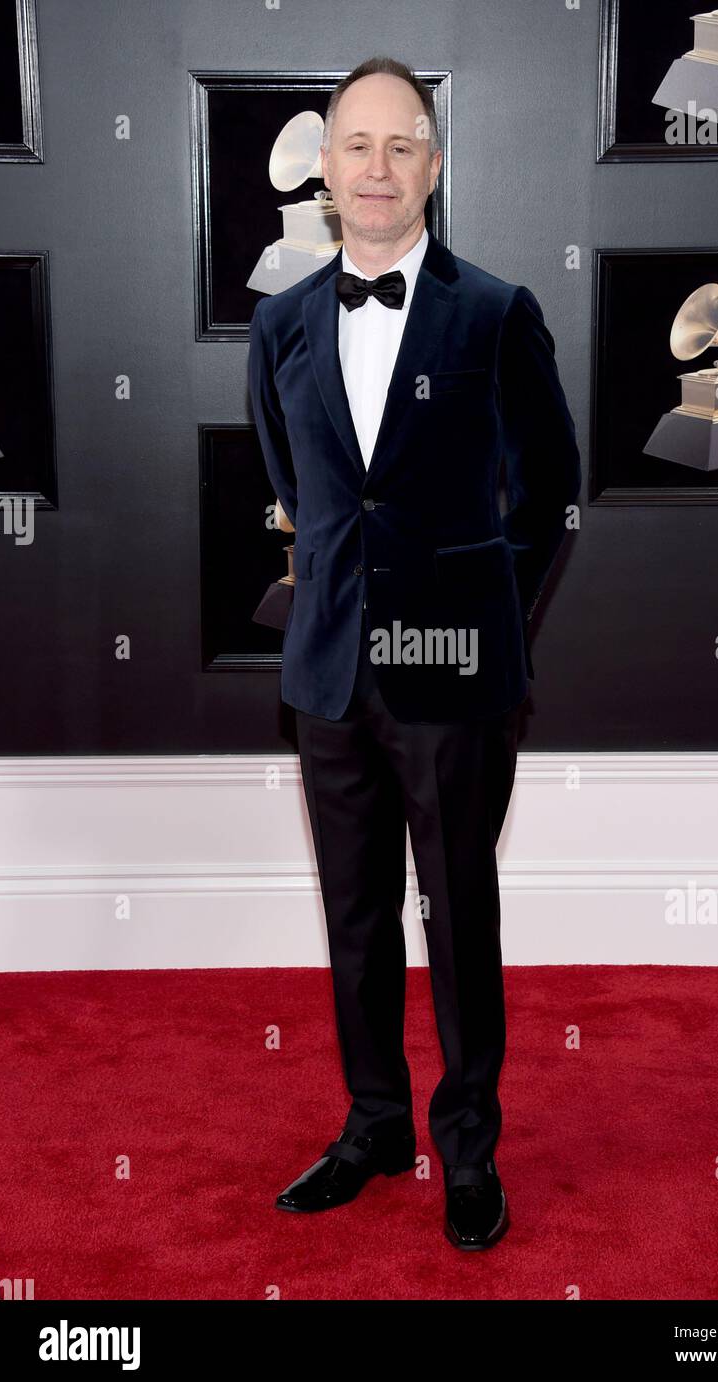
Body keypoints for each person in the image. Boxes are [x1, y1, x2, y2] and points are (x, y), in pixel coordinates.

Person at [248, 55, 580, 1250]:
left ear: (433, 167)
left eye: (402, 145)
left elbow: (551, 492)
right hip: (327, 678)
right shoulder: (282, 323)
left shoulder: (495, 312)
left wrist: (484, 618)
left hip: (454, 677)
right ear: (327, 171)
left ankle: (469, 1152)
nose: (376, 167)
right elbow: (297, 489)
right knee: (353, 917)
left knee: (457, 917)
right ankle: (376, 1125)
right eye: (355, 145)